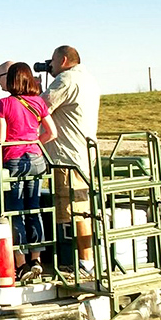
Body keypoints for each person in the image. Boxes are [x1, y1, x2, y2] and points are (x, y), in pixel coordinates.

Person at [0, 63, 57, 282]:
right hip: (36, 158)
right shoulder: (38, 102)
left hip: (14, 159)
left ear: (11, 80)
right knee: (34, 208)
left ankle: (21, 263)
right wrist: (36, 142)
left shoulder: (4, 103)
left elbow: (0, 139)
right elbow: (53, 132)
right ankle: (37, 258)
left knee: (14, 211)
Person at [40, 45, 100, 276]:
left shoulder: (66, 80)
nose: (50, 66)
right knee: (81, 208)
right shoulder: (89, 79)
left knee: (74, 210)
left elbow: (40, 108)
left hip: (66, 157)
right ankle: (85, 259)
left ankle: (84, 263)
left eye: (53, 62)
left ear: (64, 60)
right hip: (82, 153)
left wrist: (32, 92)